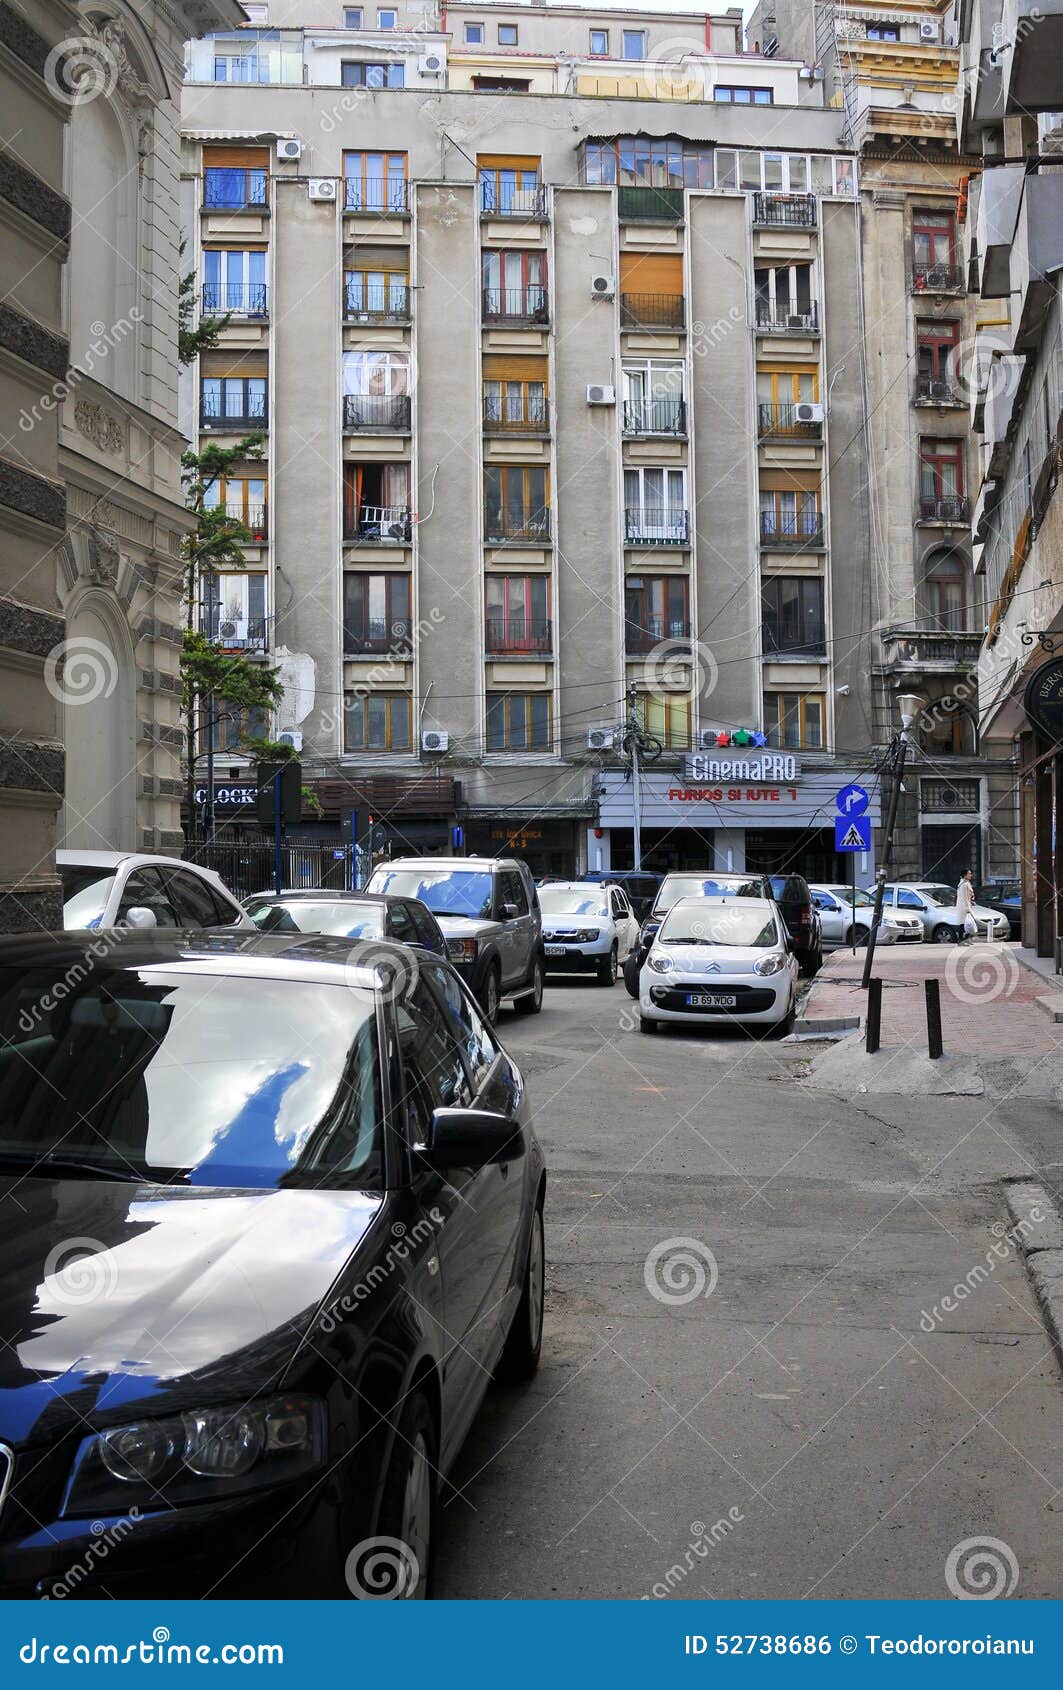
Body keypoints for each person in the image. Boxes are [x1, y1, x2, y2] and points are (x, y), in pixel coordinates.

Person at [955, 868, 977, 942]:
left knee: (966, 923)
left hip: (964, 905)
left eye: (971, 873)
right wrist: (967, 909)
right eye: (969, 874)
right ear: (965, 875)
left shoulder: (965, 883)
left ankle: (964, 939)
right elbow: (965, 897)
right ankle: (962, 940)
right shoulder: (964, 885)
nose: (971, 875)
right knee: (965, 924)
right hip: (964, 906)